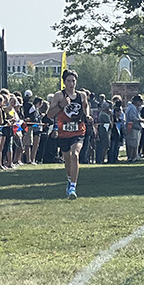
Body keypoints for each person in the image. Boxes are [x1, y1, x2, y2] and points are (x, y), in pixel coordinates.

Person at [47, 69, 90, 199]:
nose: (71, 84)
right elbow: (49, 114)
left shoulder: (81, 95)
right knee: (67, 160)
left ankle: (73, 187)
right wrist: (62, 106)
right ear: (64, 82)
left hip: (78, 130)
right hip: (63, 132)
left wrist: (87, 115)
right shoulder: (59, 96)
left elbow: (85, 105)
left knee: (75, 154)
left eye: (73, 81)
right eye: (69, 81)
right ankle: (70, 179)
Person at [124, 94, 143, 162]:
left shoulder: (134, 108)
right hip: (132, 127)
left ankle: (134, 156)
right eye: (139, 101)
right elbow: (132, 117)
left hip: (134, 127)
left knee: (134, 143)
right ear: (135, 101)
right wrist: (139, 120)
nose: (140, 103)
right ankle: (132, 157)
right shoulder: (132, 108)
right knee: (133, 143)